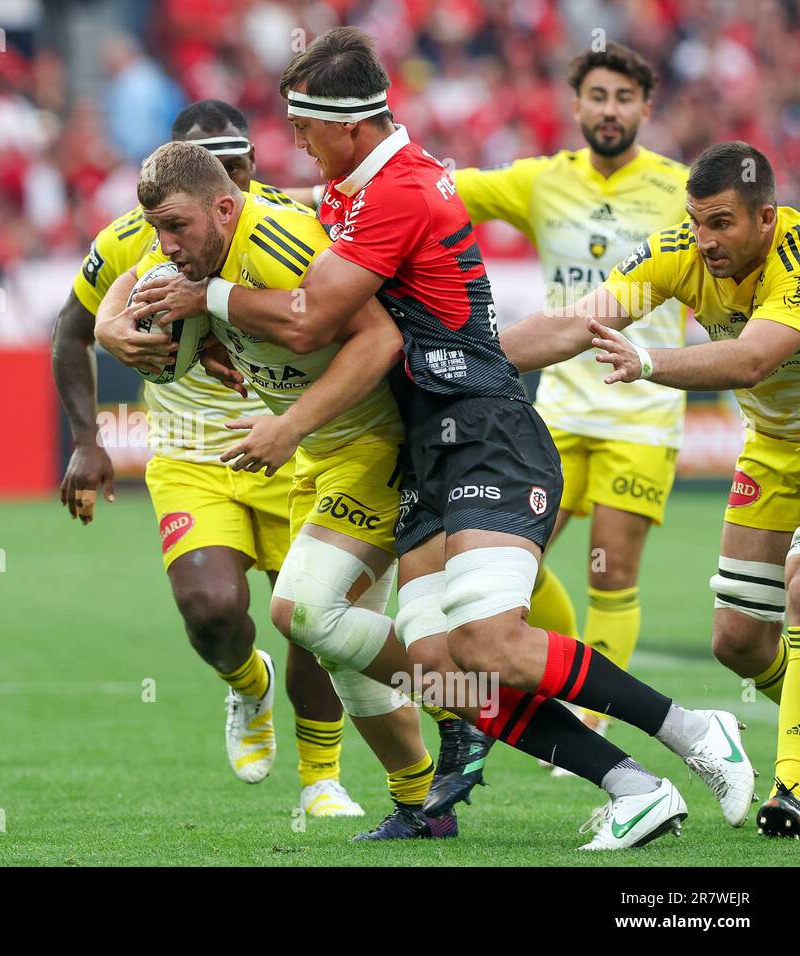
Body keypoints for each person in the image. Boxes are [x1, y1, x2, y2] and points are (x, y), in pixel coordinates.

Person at [132, 26, 753, 849]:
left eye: (306, 129)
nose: (298, 145)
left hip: (484, 429)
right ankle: (631, 783)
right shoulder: (358, 188)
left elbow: (319, 314)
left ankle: (694, 730)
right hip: (430, 439)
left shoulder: (398, 191)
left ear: (347, 125)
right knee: (438, 666)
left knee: (488, 641)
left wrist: (207, 308)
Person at [100, 140, 461, 839]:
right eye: (158, 230)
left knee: (303, 612)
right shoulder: (192, 249)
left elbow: (378, 340)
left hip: (378, 444)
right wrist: (114, 329)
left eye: (177, 227)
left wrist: (288, 425)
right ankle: (422, 804)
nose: (166, 245)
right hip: (317, 457)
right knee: (341, 647)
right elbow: (125, 279)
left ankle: (474, 700)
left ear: (226, 202)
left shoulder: (279, 240)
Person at [57, 99, 376, 818]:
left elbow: (358, 325)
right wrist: (86, 440)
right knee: (211, 609)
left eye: (232, 164)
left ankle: (322, 777)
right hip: (192, 459)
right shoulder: (132, 240)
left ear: (248, 171)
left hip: (297, 450)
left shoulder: (293, 233)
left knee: (312, 619)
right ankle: (247, 684)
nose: (218, 180)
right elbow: (67, 332)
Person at [504, 140, 800, 838]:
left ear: (766, 218)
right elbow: (578, 323)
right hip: (775, 449)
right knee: (738, 642)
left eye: (722, 223)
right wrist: (458, 356)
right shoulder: (678, 252)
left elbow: (755, 360)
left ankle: (791, 781)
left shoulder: (794, 257)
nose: (705, 240)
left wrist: (651, 359)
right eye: (698, 221)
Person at [455, 44, 693, 762]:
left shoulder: (682, 190)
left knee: (611, 570)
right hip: (556, 410)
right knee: (514, 556)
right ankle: (554, 671)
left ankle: (595, 724)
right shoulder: (540, 183)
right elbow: (441, 190)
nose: (611, 109)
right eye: (598, 96)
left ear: (645, 108)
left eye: (624, 97)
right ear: (577, 104)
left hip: (642, 407)